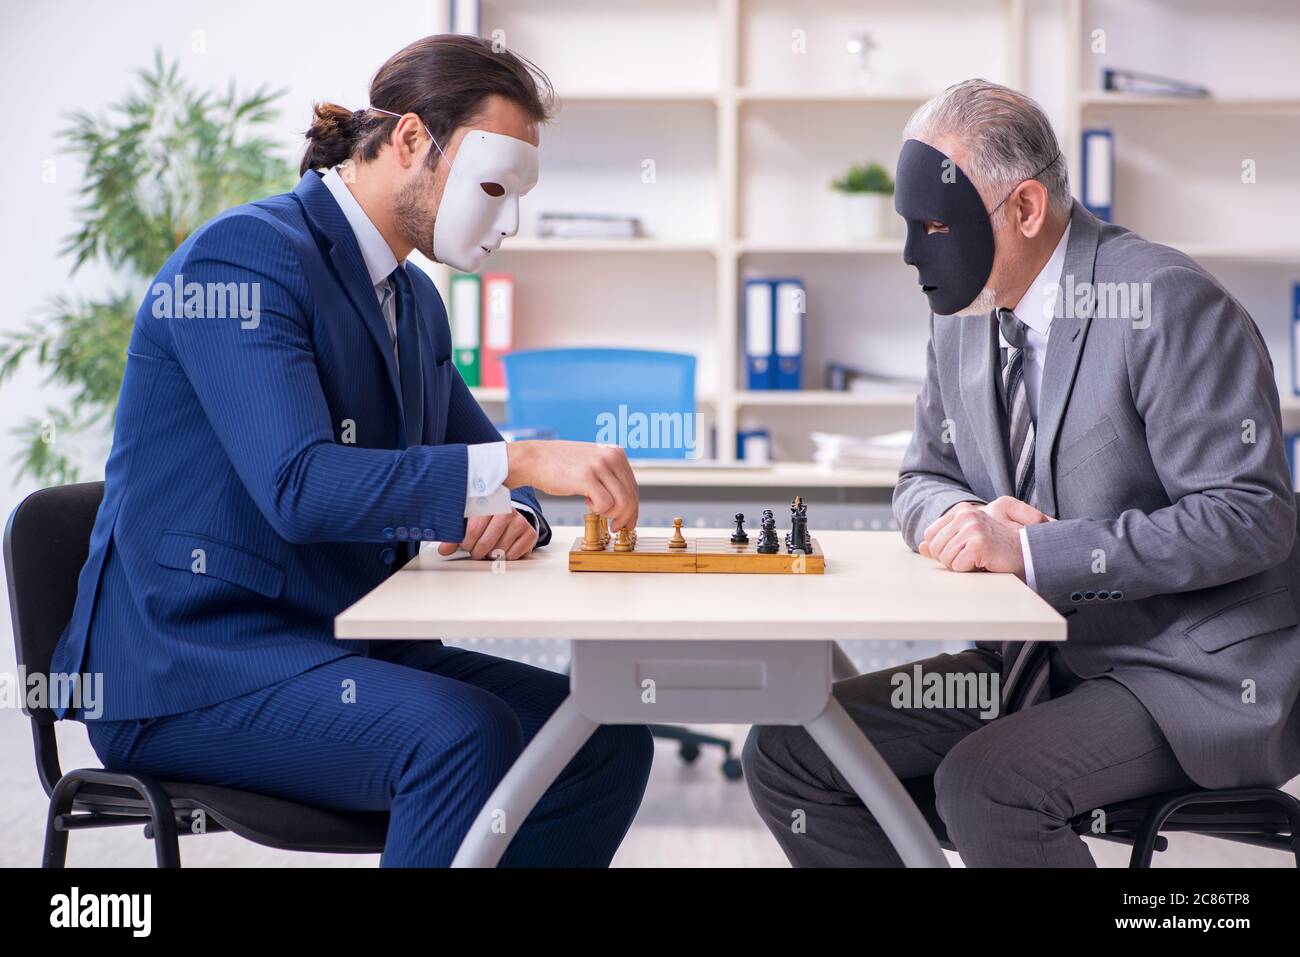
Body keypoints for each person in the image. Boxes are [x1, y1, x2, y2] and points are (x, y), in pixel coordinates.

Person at [50, 34, 651, 867]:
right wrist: (517, 468)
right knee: (455, 735)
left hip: (335, 641)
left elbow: (484, 460)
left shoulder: (414, 303)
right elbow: (301, 486)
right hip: (192, 664)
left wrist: (515, 512)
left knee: (600, 735)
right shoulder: (245, 260)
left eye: (519, 193)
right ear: (409, 141)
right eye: (491, 184)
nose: (507, 218)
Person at [744, 79, 1300, 867]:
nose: (913, 254)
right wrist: (962, 518)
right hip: (1037, 659)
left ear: (1027, 208)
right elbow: (921, 478)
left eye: (934, 225)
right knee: (794, 746)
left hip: (1182, 669)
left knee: (985, 781)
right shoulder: (964, 318)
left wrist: (1035, 552)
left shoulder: (1166, 303)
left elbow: (1250, 516)